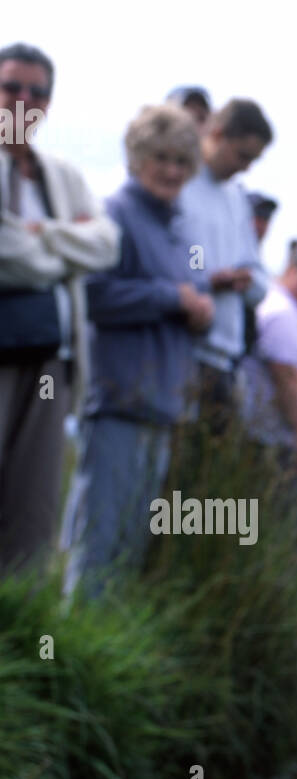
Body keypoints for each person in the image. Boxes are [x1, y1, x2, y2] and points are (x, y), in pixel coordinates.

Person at [58, 104, 212, 597]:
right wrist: (172, 298)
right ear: (137, 157)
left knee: (131, 548)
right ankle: (68, 660)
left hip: (162, 408)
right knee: (97, 545)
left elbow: (193, 285)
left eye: (182, 162)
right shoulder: (113, 215)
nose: (171, 170)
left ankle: (110, 664)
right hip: (118, 402)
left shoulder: (184, 229)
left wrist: (201, 310)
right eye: (161, 157)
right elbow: (94, 295)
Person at [0, 41, 120, 577]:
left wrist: (43, 233)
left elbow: (106, 244)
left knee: (33, 503)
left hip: (50, 359)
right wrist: (61, 254)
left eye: (37, 91)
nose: (24, 100)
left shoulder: (62, 175)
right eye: (12, 87)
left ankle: (20, 639)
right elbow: (10, 255)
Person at [176, 97, 271, 434]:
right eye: (243, 155)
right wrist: (207, 277)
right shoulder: (180, 183)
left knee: (206, 480)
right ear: (216, 134)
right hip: (185, 351)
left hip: (225, 359)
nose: (246, 167)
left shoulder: (237, 198)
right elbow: (189, 254)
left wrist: (247, 279)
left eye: (254, 160)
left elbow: (258, 274)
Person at [240, 243, 297, 479]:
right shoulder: (281, 312)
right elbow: (286, 376)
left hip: (284, 443)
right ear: (292, 269)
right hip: (280, 446)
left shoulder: (291, 312)